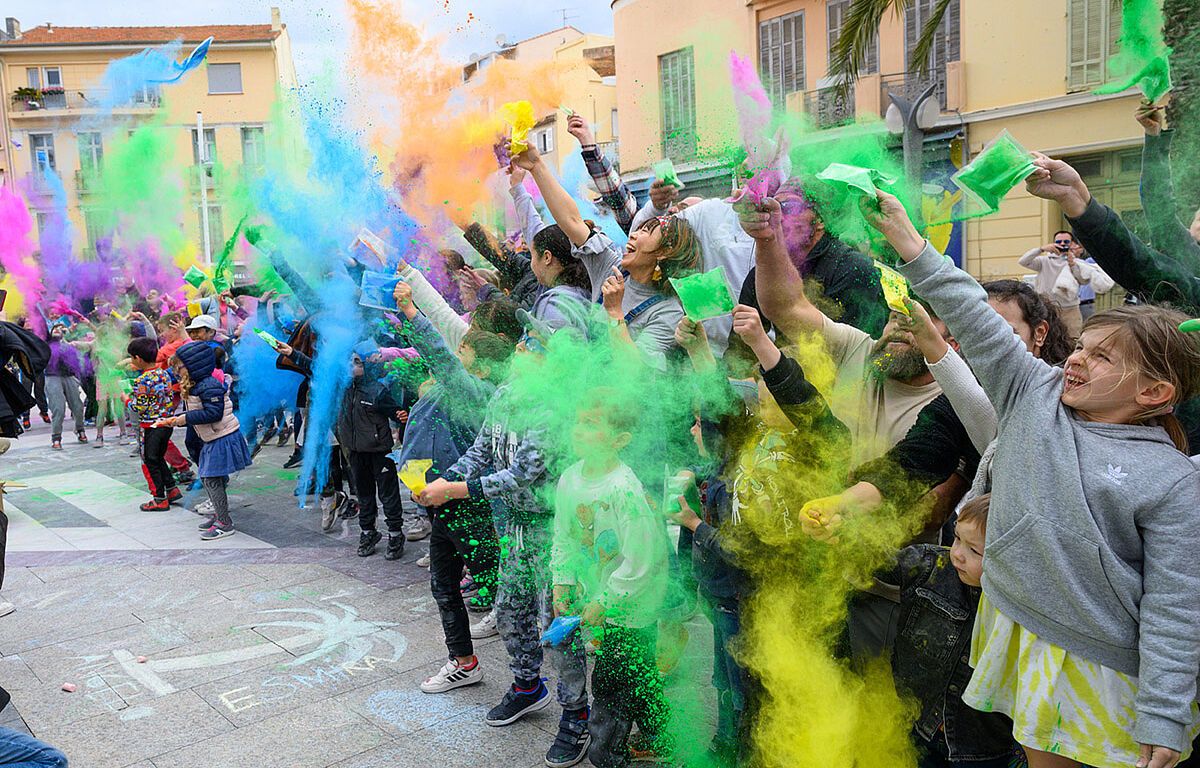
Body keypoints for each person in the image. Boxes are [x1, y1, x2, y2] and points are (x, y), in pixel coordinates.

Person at [865, 182, 1200, 768]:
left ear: (1155, 391)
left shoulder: (1173, 480)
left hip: (1101, 661)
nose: (1076, 359)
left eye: (1102, 359)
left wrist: (1166, 711)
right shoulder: (1031, 390)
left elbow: (1177, 603)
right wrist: (907, 240)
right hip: (1019, 625)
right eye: (1083, 347)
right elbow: (969, 309)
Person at [416, 348, 590, 768]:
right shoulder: (506, 394)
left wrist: (455, 491)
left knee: (556, 624)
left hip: (551, 527)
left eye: (530, 344)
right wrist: (448, 476)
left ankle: (576, 714)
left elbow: (520, 474)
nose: (519, 349)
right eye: (521, 341)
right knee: (510, 610)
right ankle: (528, 686)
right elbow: (482, 450)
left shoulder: (551, 407)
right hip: (512, 523)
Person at [388, 281, 506, 695]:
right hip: (437, 499)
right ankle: (463, 662)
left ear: (483, 366)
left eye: (465, 351)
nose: (458, 354)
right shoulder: (454, 385)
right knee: (443, 584)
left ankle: (529, 666)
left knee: (497, 584)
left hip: (462, 503)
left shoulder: (476, 391)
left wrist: (413, 315)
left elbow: (441, 359)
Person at [550, 389, 672, 768]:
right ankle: (660, 735)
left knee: (610, 690)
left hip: (631, 607)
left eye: (591, 423)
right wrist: (563, 578)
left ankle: (606, 757)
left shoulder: (624, 489)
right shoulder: (570, 479)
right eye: (578, 420)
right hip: (601, 603)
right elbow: (564, 536)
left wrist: (608, 600)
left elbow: (641, 559)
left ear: (620, 440)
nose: (579, 430)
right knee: (641, 676)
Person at [872, 494, 1026, 768]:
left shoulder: (1020, 610)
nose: (957, 553)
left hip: (981, 749)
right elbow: (882, 564)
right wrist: (843, 535)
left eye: (974, 551)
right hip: (917, 726)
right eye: (956, 539)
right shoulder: (932, 565)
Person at [512, 144, 694, 368]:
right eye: (639, 228)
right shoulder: (612, 268)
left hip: (623, 402)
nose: (634, 234)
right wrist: (536, 166)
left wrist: (615, 312)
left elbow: (636, 372)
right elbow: (572, 221)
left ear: (666, 252)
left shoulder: (668, 311)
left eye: (647, 231)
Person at [281, 341, 409, 558]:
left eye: (357, 362)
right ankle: (368, 532)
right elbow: (316, 369)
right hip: (356, 453)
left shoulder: (378, 392)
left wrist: (402, 417)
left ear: (369, 365)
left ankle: (396, 534)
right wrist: (292, 353)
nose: (350, 366)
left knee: (388, 495)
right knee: (365, 495)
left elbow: (399, 414)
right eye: (349, 361)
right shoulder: (341, 387)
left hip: (380, 453)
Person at [159, 342, 252, 540]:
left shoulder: (207, 385)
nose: (175, 371)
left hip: (223, 436)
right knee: (210, 478)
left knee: (211, 478)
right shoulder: (196, 385)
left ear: (194, 365)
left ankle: (225, 524)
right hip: (213, 437)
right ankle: (219, 515)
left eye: (179, 367)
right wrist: (179, 419)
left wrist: (182, 419)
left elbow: (213, 413)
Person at [1016, 231, 1105, 339]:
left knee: (1073, 340)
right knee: (1046, 340)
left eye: (1066, 241)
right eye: (1059, 241)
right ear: (1053, 243)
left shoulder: (1076, 262)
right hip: (1047, 309)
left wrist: (1072, 265)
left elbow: (1083, 281)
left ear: (1071, 244)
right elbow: (1023, 261)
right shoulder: (1044, 261)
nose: (1062, 244)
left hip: (1070, 310)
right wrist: (1041, 249)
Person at [126, 337, 182, 511]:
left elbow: (139, 406)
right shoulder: (164, 374)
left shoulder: (142, 381)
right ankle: (171, 489)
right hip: (166, 423)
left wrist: (127, 400)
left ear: (138, 358)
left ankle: (159, 498)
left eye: (132, 358)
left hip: (150, 426)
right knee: (158, 457)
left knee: (150, 459)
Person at [44, 323, 88, 449]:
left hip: (68, 376)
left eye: (60, 328)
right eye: (55, 328)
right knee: (58, 409)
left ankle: (80, 429)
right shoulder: (47, 343)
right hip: (52, 376)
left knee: (78, 406)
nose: (57, 330)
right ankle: (56, 437)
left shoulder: (68, 344)